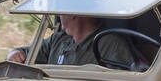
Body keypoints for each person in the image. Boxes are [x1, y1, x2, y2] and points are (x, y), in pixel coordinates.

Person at [8, 13, 137, 68]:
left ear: (74, 14)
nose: (59, 15)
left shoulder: (109, 43)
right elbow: (25, 53)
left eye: (62, 11)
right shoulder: (58, 40)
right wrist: (14, 54)